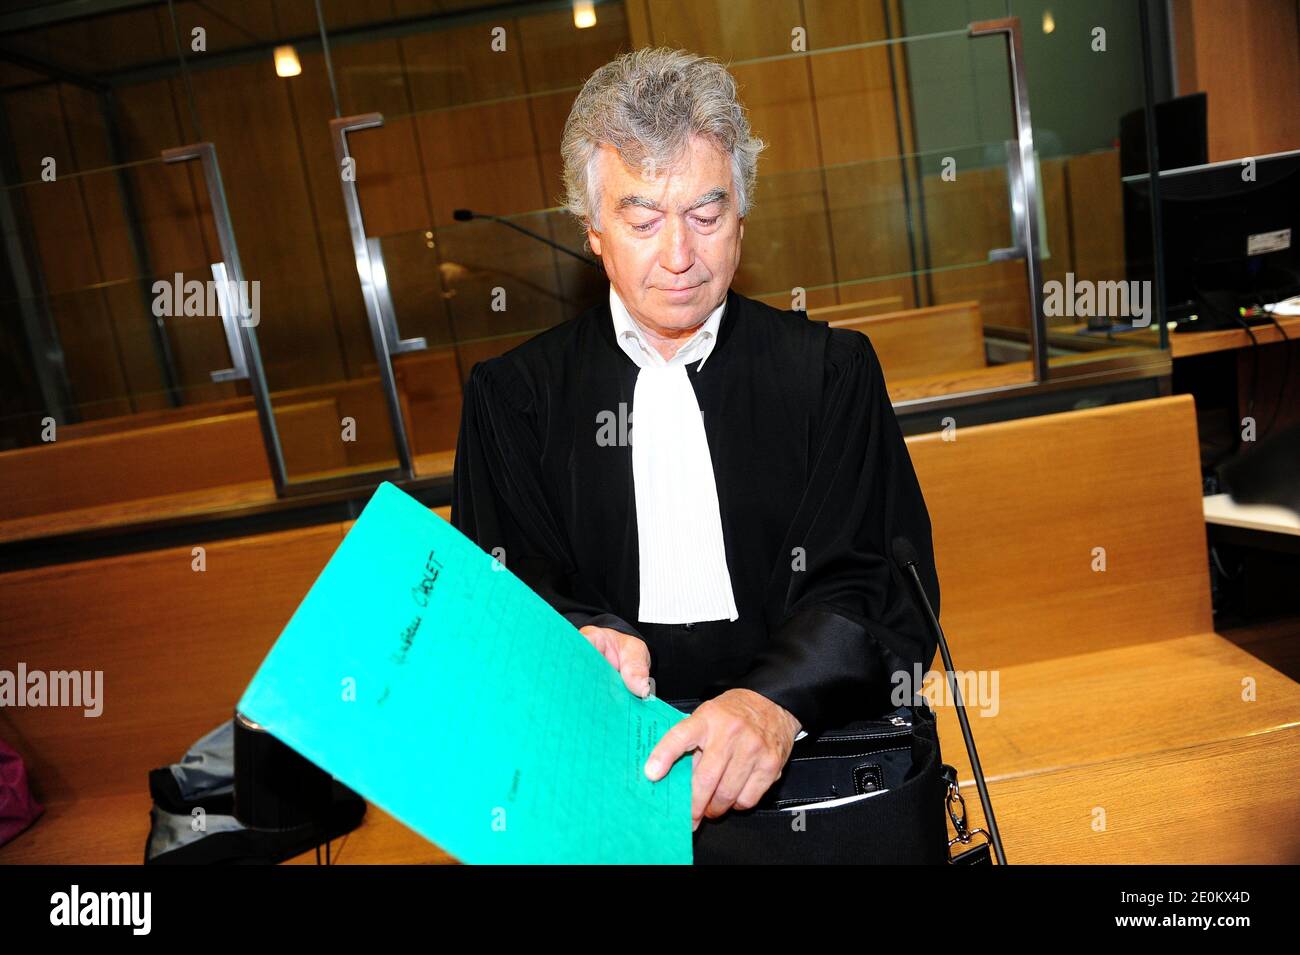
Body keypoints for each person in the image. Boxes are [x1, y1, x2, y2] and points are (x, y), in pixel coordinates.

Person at [451, 46, 940, 834]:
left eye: (706, 216)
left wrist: (771, 702)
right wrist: (579, 639)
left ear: (742, 217)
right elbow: (500, 593)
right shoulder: (514, 401)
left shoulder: (829, 375)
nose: (679, 256)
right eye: (642, 219)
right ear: (593, 231)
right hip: (603, 777)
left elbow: (877, 585)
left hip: (808, 768)